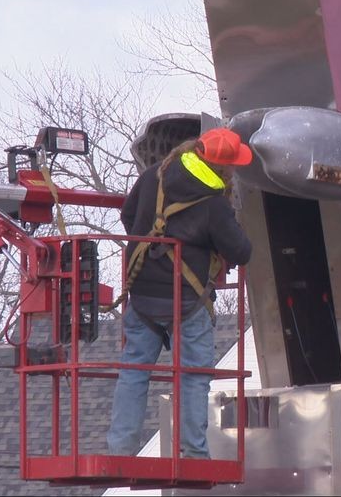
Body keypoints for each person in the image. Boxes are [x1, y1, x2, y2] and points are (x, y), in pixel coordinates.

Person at [107, 127, 253, 458]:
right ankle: (194, 453)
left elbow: (129, 216)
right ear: (223, 168)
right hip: (187, 301)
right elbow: (241, 251)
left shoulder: (152, 176)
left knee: (134, 370)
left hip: (142, 296)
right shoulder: (214, 204)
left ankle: (120, 450)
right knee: (193, 375)